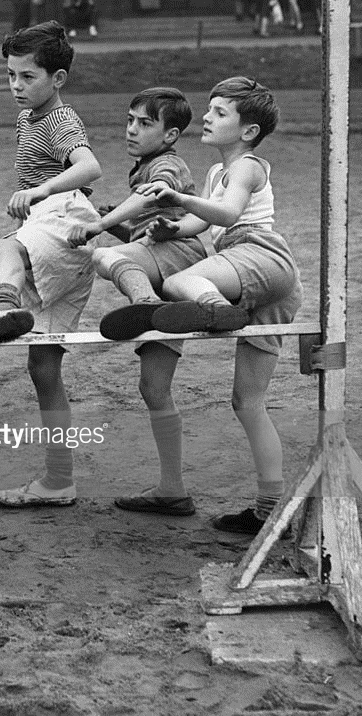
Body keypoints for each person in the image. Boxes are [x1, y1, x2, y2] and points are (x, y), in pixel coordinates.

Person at [135, 77, 303, 535]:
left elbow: (228, 215)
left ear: (247, 131)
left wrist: (177, 197)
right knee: (247, 401)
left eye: (219, 112)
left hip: (260, 255)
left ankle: (215, 309)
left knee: (178, 281)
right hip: (266, 279)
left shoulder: (248, 166)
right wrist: (174, 226)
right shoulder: (215, 174)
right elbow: (202, 219)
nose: (206, 117)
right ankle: (269, 510)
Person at [0, 21, 102, 510]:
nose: (16, 87)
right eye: (11, 76)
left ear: (57, 79)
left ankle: (1, 309)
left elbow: (89, 168)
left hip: (64, 216)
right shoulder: (28, 118)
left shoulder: (60, 121)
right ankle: (59, 481)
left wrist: (39, 191)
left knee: (2, 249)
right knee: (43, 366)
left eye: (27, 77)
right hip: (60, 230)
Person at [66, 88, 203, 516]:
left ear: (170, 135)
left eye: (145, 124)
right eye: (130, 120)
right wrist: (107, 219)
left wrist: (98, 227)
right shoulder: (142, 166)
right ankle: (172, 489)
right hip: (161, 266)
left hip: (177, 260)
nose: (131, 129)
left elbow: (152, 196)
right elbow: (140, 232)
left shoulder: (165, 164)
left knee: (101, 256)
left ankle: (142, 301)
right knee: (153, 387)